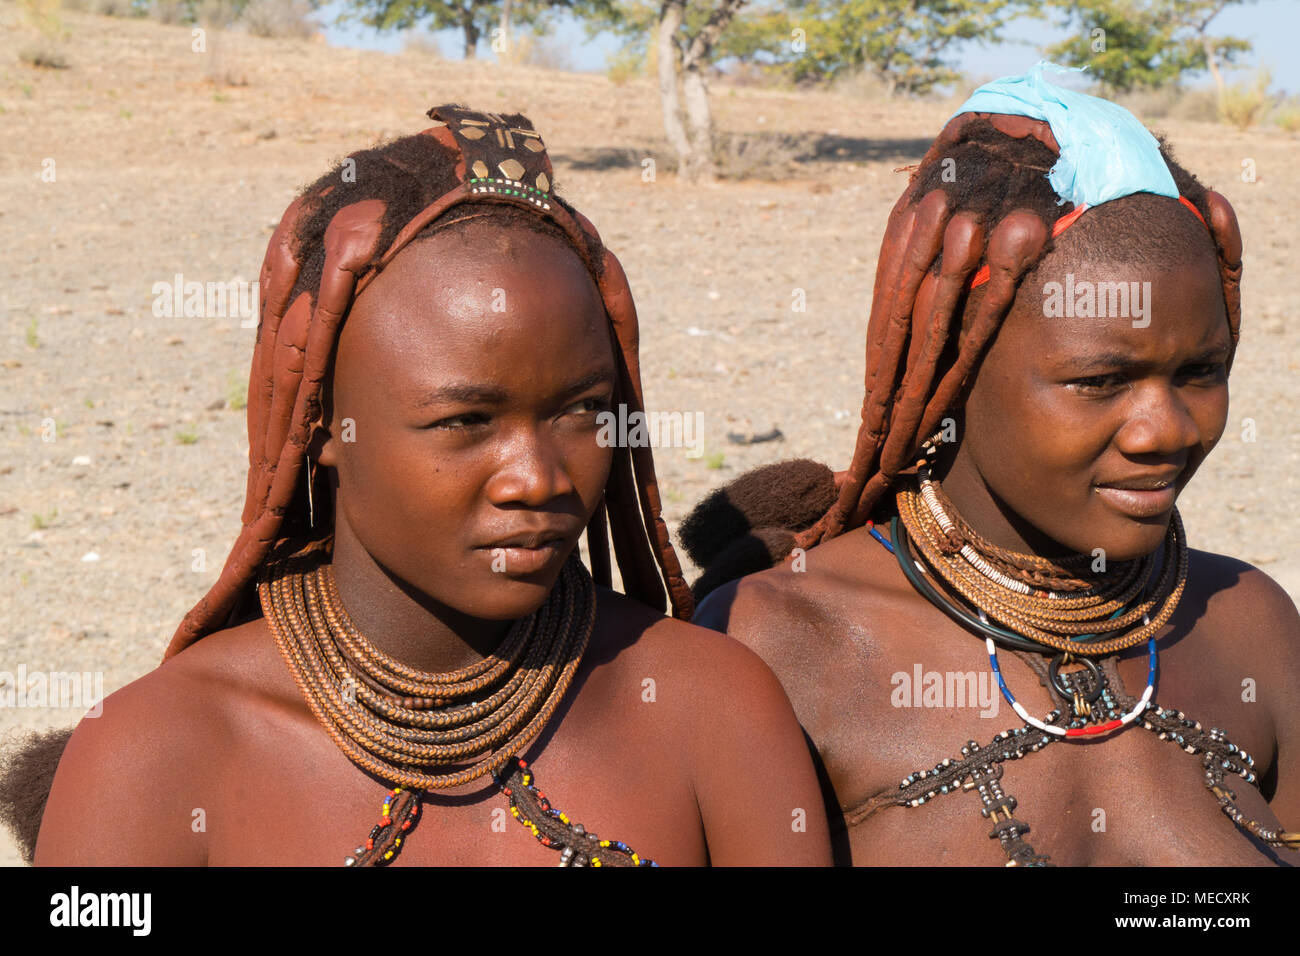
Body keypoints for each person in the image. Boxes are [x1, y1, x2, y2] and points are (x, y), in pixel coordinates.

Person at [11, 105, 829, 866]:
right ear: (326, 426)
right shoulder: (155, 754)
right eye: (466, 422)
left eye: (581, 412)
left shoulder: (711, 708)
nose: (537, 478)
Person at [686, 66, 1300, 866]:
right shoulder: (782, 643)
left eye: (1199, 373)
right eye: (1100, 381)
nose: (1164, 431)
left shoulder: (1246, 621)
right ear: (954, 369)